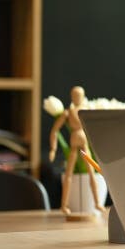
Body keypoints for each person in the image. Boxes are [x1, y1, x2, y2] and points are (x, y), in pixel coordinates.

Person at [48, 86, 105, 215]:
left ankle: (97, 203)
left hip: (85, 146)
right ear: (72, 97)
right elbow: (55, 130)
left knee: (91, 173)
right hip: (74, 147)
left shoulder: (86, 111)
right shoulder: (68, 113)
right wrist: (53, 148)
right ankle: (64, 205)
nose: (77, 98)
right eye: (75, 95)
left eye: (80, 95)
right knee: (68, 175)